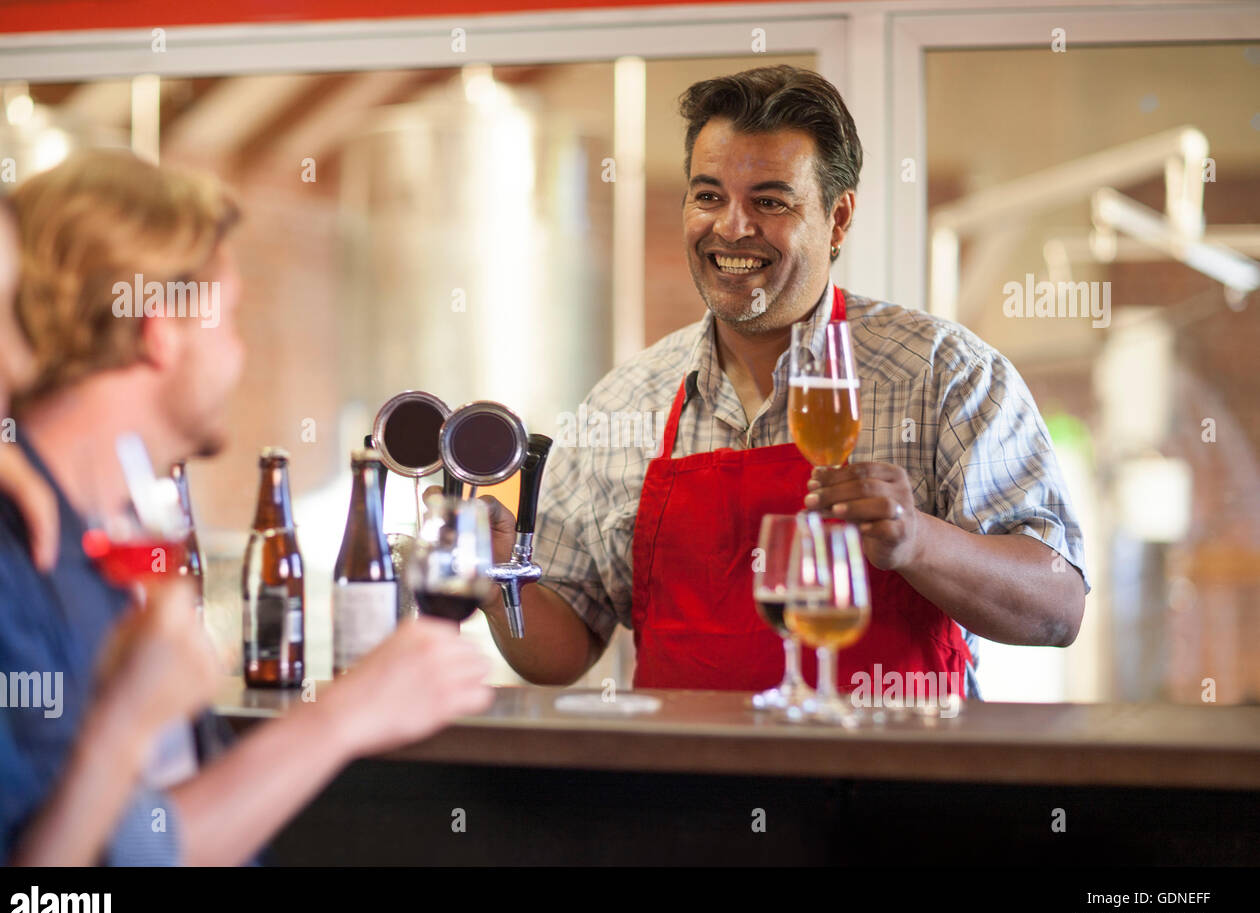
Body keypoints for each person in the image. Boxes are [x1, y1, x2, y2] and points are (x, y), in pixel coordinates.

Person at [467, 65, 1089, 696]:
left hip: (894, 784)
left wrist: (919, 540)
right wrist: (496, 584)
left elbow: (1057, 610)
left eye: (769, 201)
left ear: (838, 218)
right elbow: (564, 648)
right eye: (708, 196)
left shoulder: (945, 372)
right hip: (685, 783)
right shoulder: (627, 399)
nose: (732, 227)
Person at [0, 149, 494, 866]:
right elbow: (62, 882)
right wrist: (347, 714)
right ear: (161, 329)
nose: (240, 355)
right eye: (231, 317)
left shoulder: (113, 526)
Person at [0, 158, 222, 865]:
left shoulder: (54, 514)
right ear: (158, 326)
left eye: (8, 311)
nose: (15, 362)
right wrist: (124, 730)